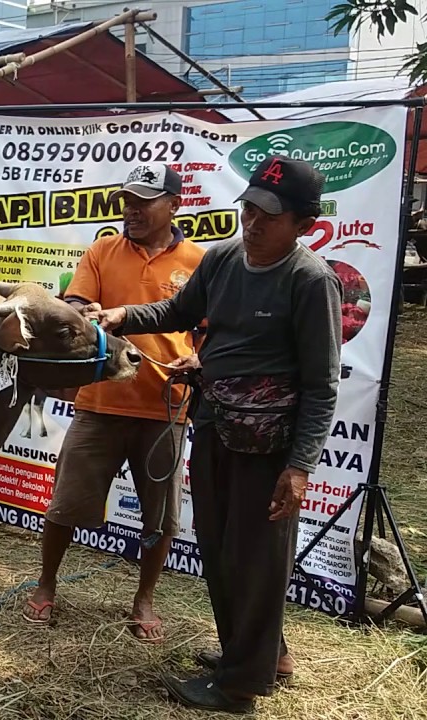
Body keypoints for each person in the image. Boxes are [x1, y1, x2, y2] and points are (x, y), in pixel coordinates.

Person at [93, 156, 342, 714]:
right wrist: (122, 317)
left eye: (268, 218)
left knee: (256, 558)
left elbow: (321, 386)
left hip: (269, 446)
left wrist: (299, 466)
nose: (252, 224)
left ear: (303, 225)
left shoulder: (309, 280)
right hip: (213, 425)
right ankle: (256, 655)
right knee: (221, 551)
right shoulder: (225, 258)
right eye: (248, 210)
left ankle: (238, 688)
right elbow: (180, 309)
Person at [22, 163, 206, 643]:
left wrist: (198, 357)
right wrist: (85, 312)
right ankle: (46, 584)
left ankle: (144, 598)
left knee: (160, 517)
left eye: (145, 201)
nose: (133, 210)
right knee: (64, 505)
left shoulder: (200, 261)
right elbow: (76, 305)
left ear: (173, 205)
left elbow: (211, 330)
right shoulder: (103, 249)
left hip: (166, 409)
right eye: (128, 200)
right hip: (100, 402)